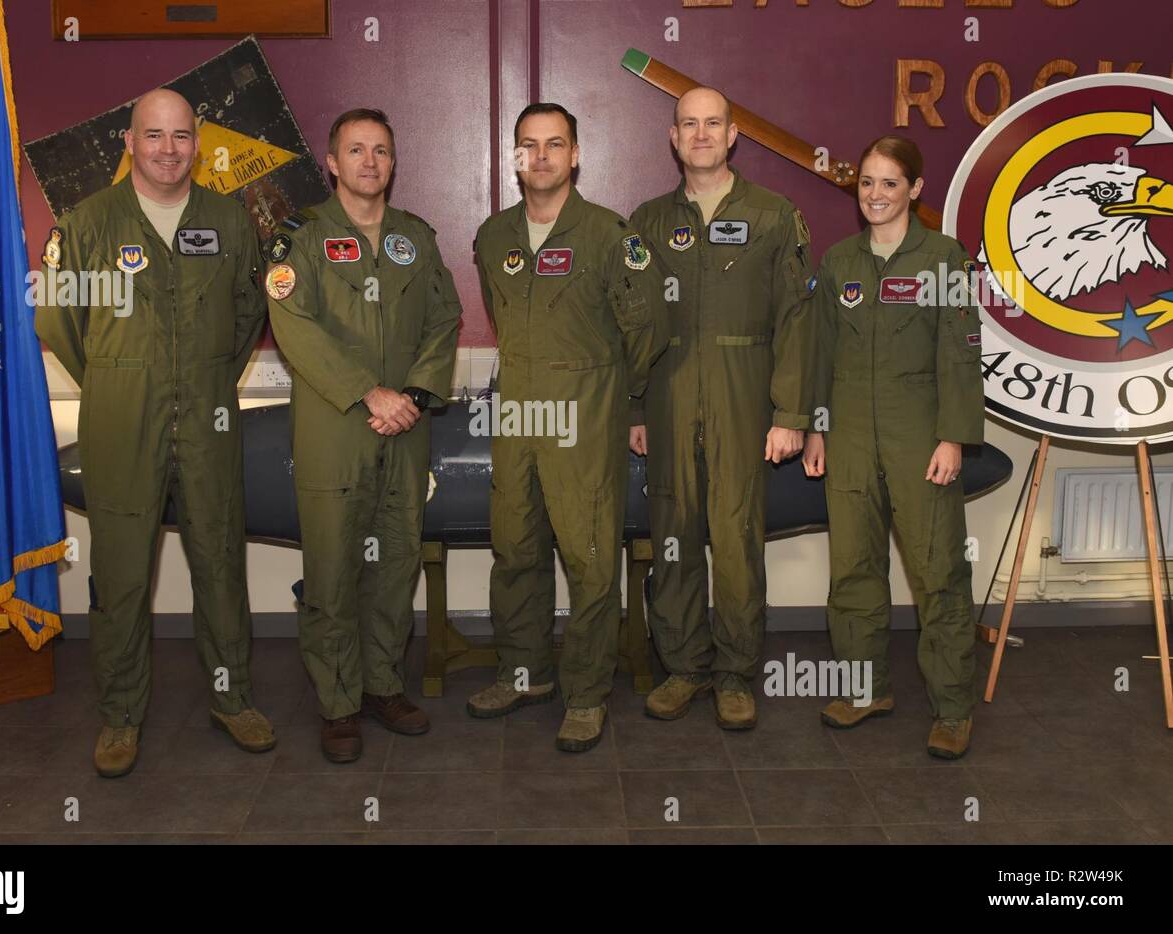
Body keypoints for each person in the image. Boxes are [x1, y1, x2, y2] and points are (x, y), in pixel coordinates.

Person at [35, 88, 271, 778]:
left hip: (208, 416)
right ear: (130, 144)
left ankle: (233, 701)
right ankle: (120, 716)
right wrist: (117, 376)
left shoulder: (229, 219)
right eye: (154, 136)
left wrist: (204, 377)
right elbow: (58, 321)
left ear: (197, 144)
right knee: (120, 574)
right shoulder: (86, 223)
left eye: (181, 136)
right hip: (119, 421)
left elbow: (246, 312)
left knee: (221, 563)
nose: (168, 150)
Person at [469, 103, 668, 752]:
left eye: (556, 144)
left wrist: (621, 400)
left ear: (576, 154)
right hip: (518, 418)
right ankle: (524, 674)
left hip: (583, 424)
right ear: (516, 157)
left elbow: (649, 329)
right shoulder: (493, 236)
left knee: (587, 563)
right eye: (530, 145)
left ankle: (585, 695)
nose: (543, 156)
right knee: (515, 553)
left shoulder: (611, 234)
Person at [265, 109, 462, 763]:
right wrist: (366, 391)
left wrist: (411, 395)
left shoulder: (416, 237)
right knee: (332, 568)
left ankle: (383, 685)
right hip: (335, 425)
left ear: (393, 161)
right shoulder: (301, 237)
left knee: (395, 561)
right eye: (356, 149)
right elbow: (295, 324)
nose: (369, 161)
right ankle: (339, 703)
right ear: (332, 161)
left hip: (406, 429)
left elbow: (445, 317)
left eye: (381, 149)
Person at [629, 86, 817, 729]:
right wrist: (633, 409)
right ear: (673, 137)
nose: (702, 133)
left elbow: (796, 321)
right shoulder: (647, 222)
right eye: (689, 123)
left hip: (745, 400)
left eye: (714, 123)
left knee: (737, 541)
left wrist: (792, 414)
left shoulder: (772, 215)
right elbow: (629, 322)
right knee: (674, 536)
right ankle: (683, 666)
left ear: (734, 134)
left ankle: (736, 674)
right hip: (668, 399)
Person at [802, 134, 983, 759]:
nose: (875, 195)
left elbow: (961, 355)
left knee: (937, 574)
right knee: (852, 568)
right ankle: (863, 689)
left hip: (920, 434)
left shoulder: (944, 259)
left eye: (889, 183)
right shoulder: (839, 262)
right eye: (867, 183)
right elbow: (819, 352)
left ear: (915, 190)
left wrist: (953, 438)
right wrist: (817, 428)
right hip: (848, 432)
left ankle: (953, 708)